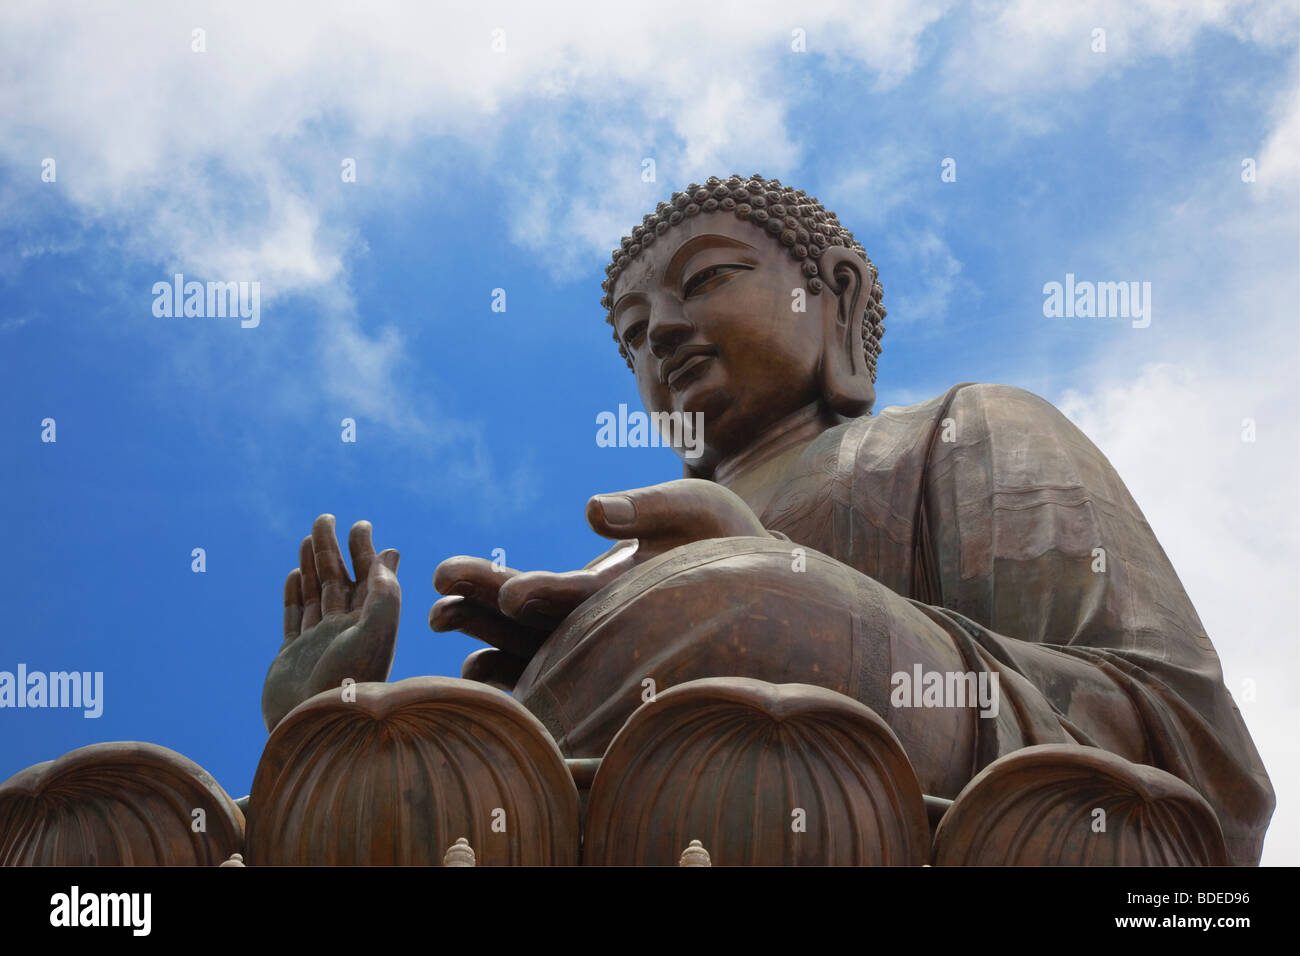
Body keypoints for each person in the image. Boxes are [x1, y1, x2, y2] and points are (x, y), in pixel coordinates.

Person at [265, 174, 1274, 865]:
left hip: (964, 824)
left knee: (728, 597)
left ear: (829, 295)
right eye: (630, 334)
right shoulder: (633, 553)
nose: (660, 330)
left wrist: (762, 585)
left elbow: (1183, 749)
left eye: (703, 281)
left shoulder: (964, 431)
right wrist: (325, 719)